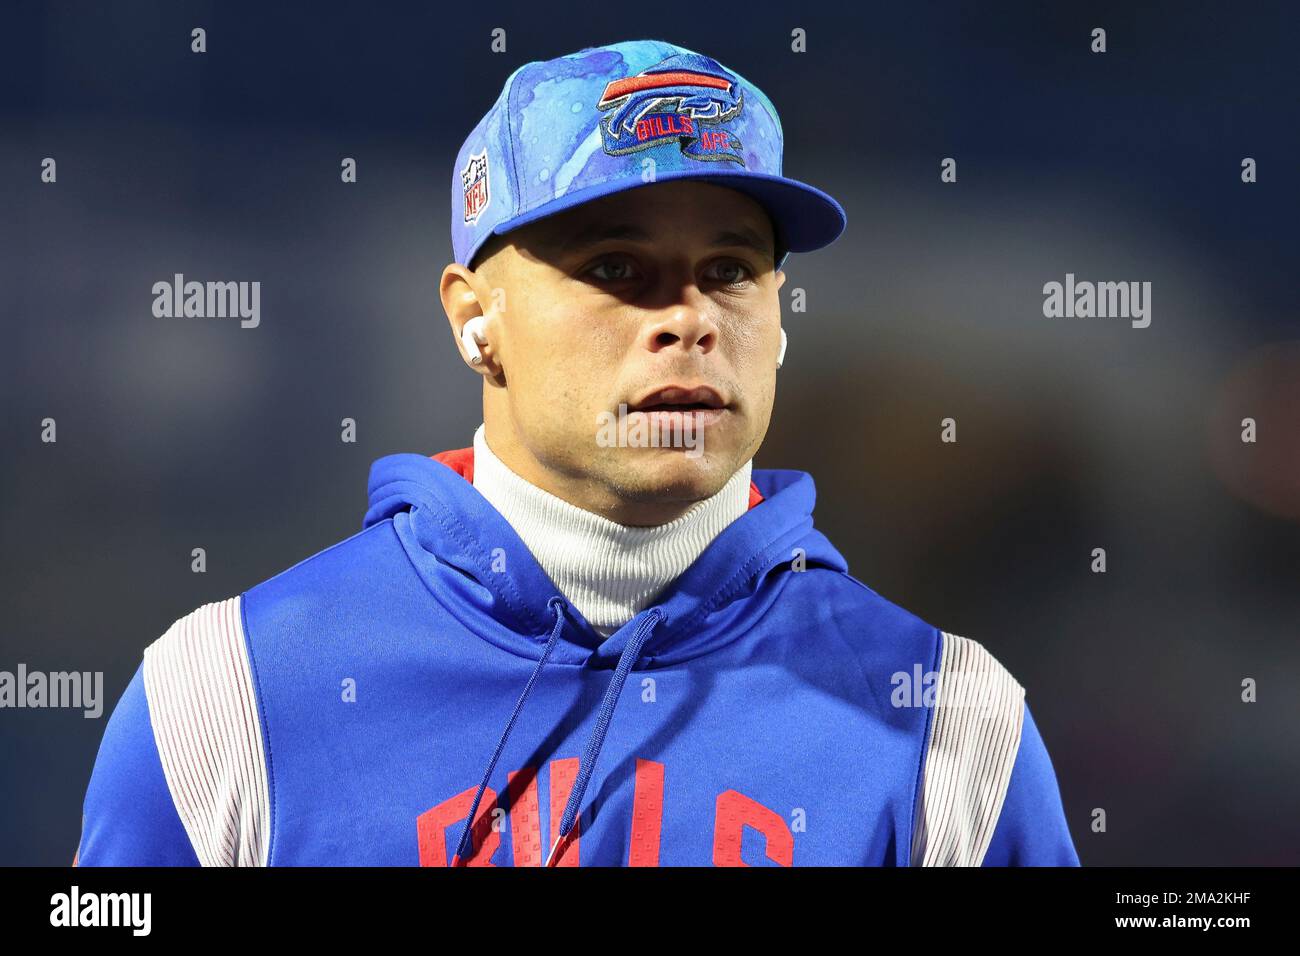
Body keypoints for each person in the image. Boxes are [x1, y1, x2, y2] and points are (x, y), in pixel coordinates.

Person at [75, 38, 1078, 867]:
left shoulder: (948, 717)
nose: (688, 317)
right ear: (477, 320)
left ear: (778, 319)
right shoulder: (230, 693)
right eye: (616, 267)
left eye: (730, 268)